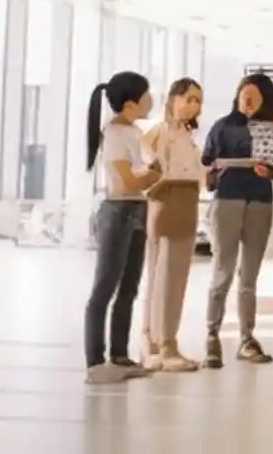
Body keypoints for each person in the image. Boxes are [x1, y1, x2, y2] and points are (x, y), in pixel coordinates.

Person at [200, 73, 273, 368]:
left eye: (254, 96)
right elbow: (207, 171)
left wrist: (271, 172)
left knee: (249, 276)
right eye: (244, 94)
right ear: (237, 96)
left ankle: (246, 338)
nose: (248, 100)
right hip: (227, 200)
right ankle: (212, 336)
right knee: (222, 270)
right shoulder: (222, 126)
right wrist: (216, 171)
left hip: (260, 202)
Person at [83, 71, 160, 385]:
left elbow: (143, 174)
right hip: (119, 211)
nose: (151, 100)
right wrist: (154, 173)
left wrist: (151, 174)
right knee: (105, 287)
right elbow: (129, 180)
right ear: (131, 102)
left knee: (129, 287)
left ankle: (120, 355)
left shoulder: (134, 131)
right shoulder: (114, 133)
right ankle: (95, 361)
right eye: (146, 94)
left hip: (137, 208)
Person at [139, 78, 205, 373]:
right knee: (161, 275)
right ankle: (158, 343)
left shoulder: (186, 135)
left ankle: (167, 340)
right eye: (188, 99)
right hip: (167, 203)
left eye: (198, 101)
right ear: (173, 99)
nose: (193, 106)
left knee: (176, 277)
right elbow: (145, 167)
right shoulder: (159, 131)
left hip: (188, 203)